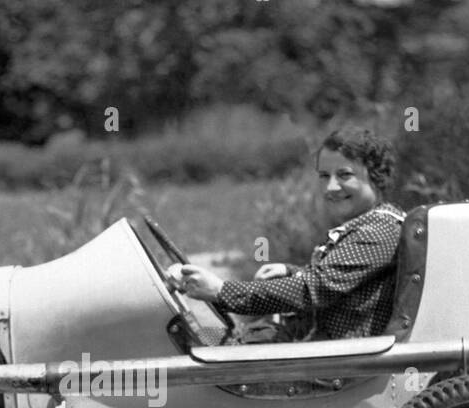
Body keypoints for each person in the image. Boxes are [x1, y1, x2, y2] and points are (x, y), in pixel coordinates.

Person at [169, 128, 405, 342]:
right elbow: (336, 283)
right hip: (315, 346)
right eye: (324, 176)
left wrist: (221, 291)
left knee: (191, 348)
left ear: (376, 176)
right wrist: (290, 272)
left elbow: (311, 291)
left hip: (331, 364)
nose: (331, 187)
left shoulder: (377, 231)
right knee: (201, 336)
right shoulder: (370, 225)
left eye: (344, 175)